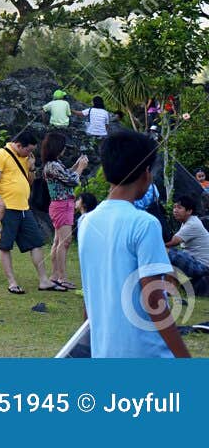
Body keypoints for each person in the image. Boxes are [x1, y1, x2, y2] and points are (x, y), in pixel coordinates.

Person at [78, 129, 191, 357]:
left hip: (105, 352)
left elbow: (90, 292)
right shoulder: (144, 223)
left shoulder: (86, 222)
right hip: (147, 353)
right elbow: (153, 297)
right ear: (146, 173)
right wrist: (184, 358)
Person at [0, 127, 55, 292]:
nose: (29, 153)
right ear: (19, 145)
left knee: (36, 243)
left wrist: (31, 167)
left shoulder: (26, 159)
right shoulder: (0, 155)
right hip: (7, 208)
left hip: (25, 208)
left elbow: (30, 182)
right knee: (5, 245)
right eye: (28, 150)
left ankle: (44, 280)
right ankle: (12, 282)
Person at [40, 131, 88, 290]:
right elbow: (73, 180)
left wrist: (76, 165)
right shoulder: (52, 165)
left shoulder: (54, 164)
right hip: (61, 205)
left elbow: (67, 174)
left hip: (62, 205)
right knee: (65, 242)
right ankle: (61, 277)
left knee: (58, 241)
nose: (64, 150)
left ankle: (55, 275)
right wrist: (80, 168)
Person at [165, 193, 209, 280]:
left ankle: (170, 288)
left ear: (189, 211)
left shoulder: (192, 224)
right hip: (195, 262)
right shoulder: (187, 222)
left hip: (202, 267)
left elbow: (171, 242)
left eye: (179, 207)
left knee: (167, 252)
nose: (175, 210)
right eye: (174, 207)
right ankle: (172, 287)